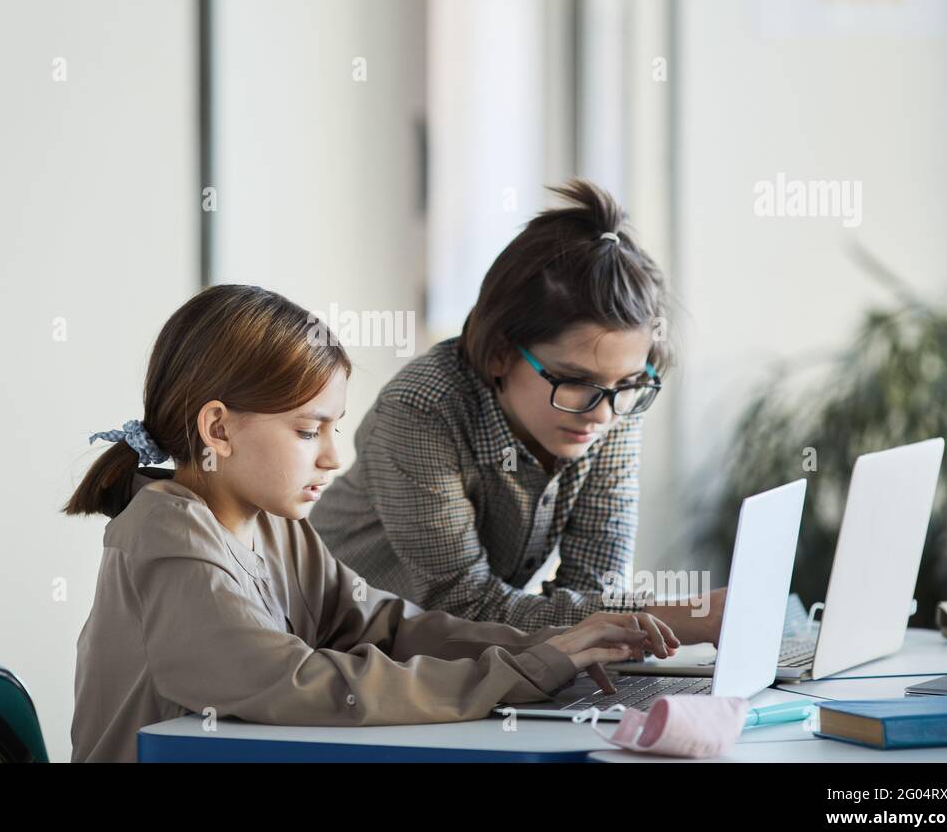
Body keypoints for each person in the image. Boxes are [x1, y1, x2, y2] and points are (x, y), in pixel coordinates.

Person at [64, 283, 677, 762]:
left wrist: (546, 647)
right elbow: (295, 683)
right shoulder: (168, 539)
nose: (333, 457)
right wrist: (522, 673)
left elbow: (384, 628)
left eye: (333, 428)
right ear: (218, 428)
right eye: (308, 431)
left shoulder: (276, 529)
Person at [311, 179, 725, 641]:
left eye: (627, 384)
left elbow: (595, 587)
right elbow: (464, 607)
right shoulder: (422, 410)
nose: (603, 416)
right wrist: (684, 618)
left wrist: (604, 644)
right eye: (574, 381)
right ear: (500, 355)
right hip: (337, 642)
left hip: (455, 658)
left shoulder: (611, 404)